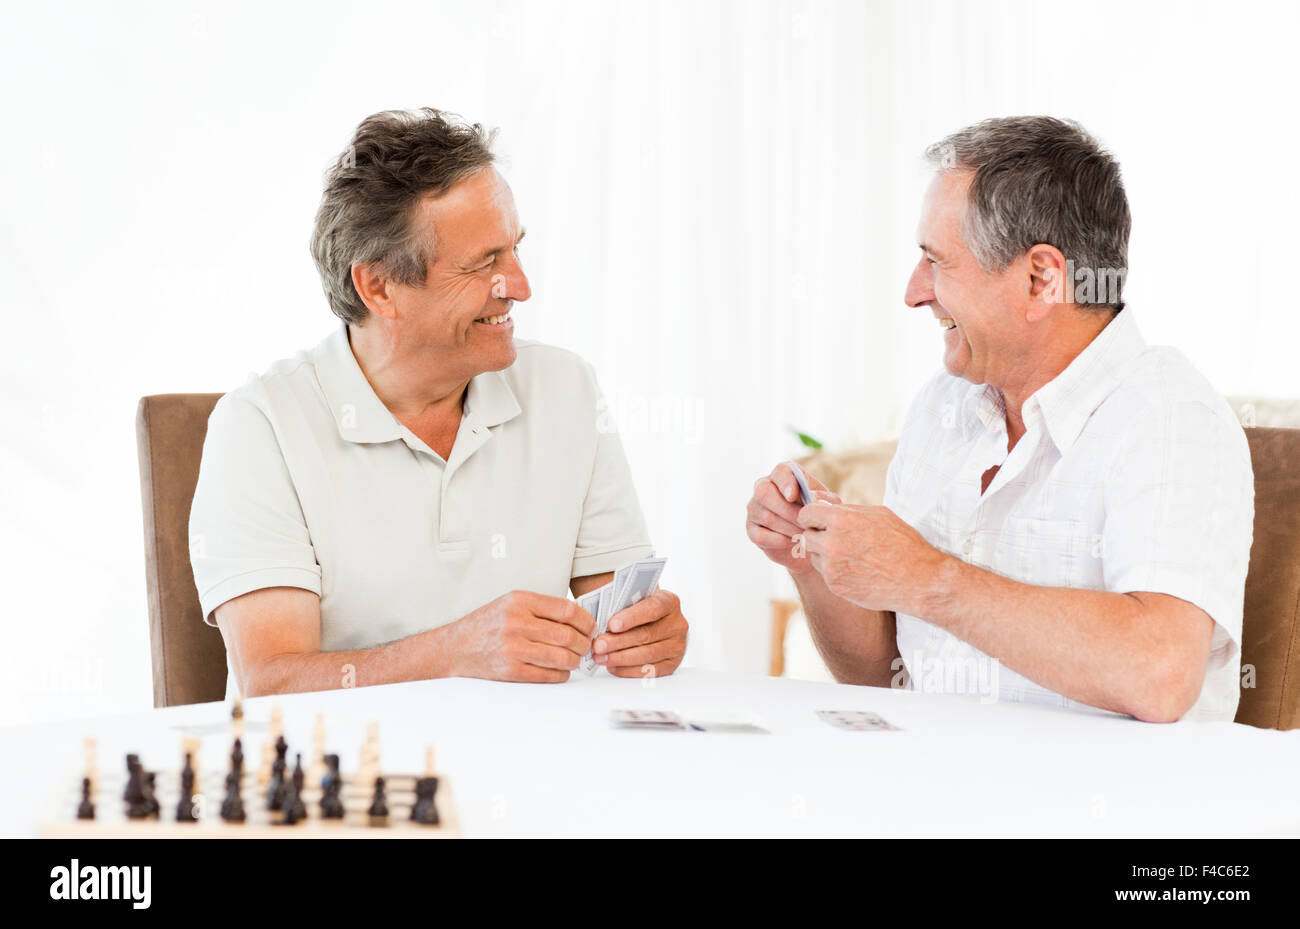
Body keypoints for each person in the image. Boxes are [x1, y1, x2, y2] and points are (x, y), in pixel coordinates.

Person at [746, 116, 1253, 722]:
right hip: (941, 792)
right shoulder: (945, 405)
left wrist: (926, 577)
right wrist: (816, 561)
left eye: (936, 261)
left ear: (1041, 279)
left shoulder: (1169, 415)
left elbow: (1159, 672)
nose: (913, 292)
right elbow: (884, 676)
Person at [190, 108, 688, 698]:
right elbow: (272, 680)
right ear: (378, 287)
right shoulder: (261, 426)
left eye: (515, 250)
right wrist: (454, 651)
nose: (520, 286)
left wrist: (646, 637)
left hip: (535, 758)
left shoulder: (567, 387)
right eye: (485, 262)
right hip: (355, 773)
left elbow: (617, 616)